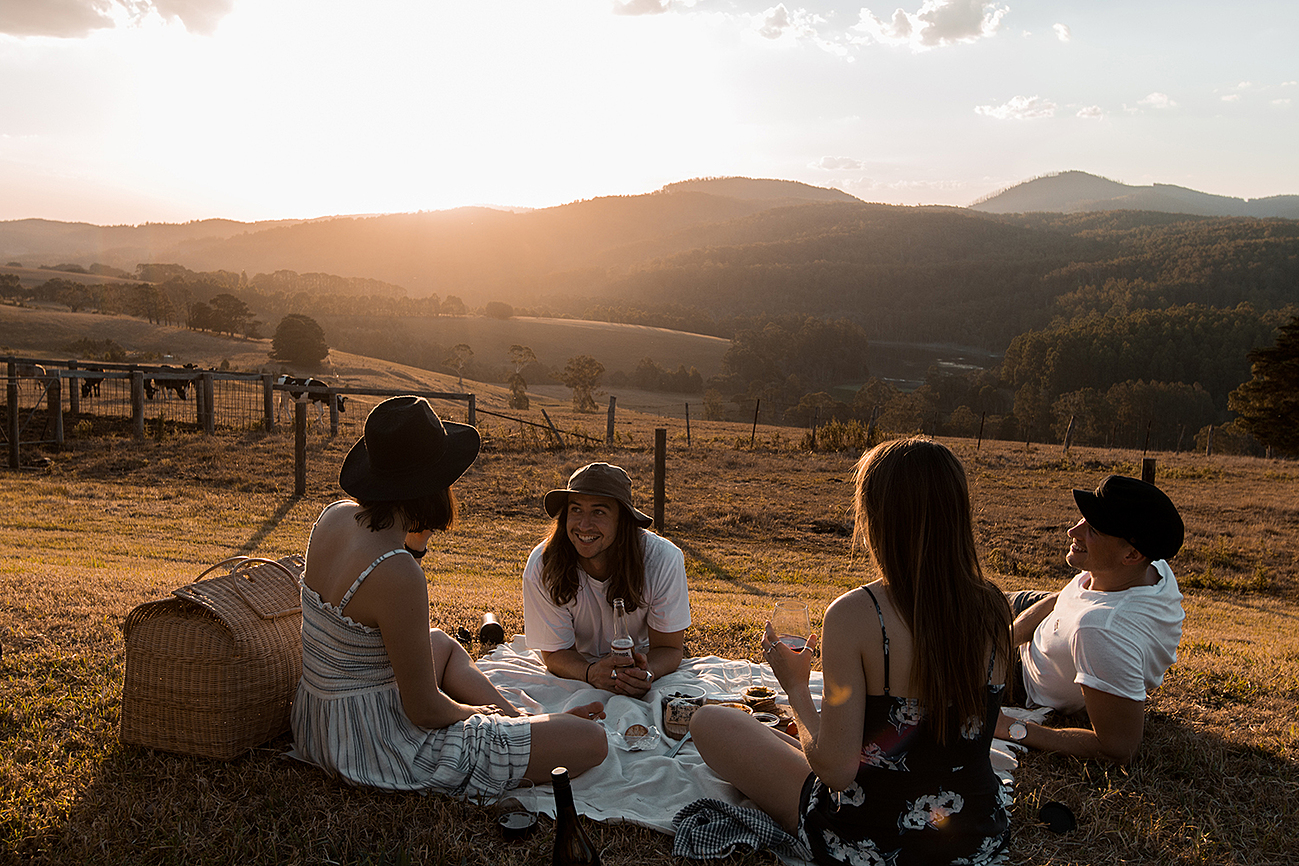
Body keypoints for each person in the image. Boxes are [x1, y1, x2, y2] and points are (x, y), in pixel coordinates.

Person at [690, 438, 1013, 865]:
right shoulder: (994, 606)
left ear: (876, 517)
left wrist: (797, 689)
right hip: (974, 838)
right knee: (773, 736)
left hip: (865, 838)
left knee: (710, 721)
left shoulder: (858, 614)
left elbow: (837, 772)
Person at [291, 396, 608, 798]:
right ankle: (516, 724)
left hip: (320, 719)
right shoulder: (396, 570)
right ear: (434, 485)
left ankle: (521, 719)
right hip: (371, 742)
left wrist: (510, 719)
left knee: (439, 641)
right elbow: (424, 709)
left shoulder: (334, 516)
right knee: (590, 741)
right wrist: (484, 716)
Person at [996, 474, 1185, 764]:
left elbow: (1119, 747)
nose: (1074, 530)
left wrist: (1011, 728)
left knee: (925, 626)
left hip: (1021, 672)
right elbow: (1064, 599)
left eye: (1093, 529)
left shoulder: (1100, 630)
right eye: (1083, 519)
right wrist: (1010, 634)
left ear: (1132, 554)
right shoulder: (1149, 567)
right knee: (956, 590)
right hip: (1043, 613)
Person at [522, 462, 691, 699]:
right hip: (576, 667)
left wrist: (646, 673)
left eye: (599, 512)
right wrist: (590, 672)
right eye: (576, 510)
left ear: (623, 520)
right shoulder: (543, 564)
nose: (584, 525)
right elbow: (556, 653)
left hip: (640, 661)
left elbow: (669, 648)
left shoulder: (662, 559)